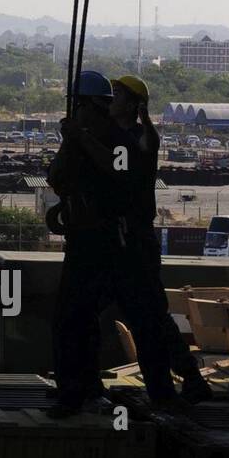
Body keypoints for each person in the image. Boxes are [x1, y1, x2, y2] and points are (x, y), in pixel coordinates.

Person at [48, 70, 179, 417]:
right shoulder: (99, 135)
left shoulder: (128, 138)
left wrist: (78, 138)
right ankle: (79, 388)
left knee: (145, 319)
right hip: (99, 242)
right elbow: (61, 179)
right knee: (79, 319)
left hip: (121, 245)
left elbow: (116, 169)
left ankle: (169, 389)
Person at [110, 75, 212, 403]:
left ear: (134, 105)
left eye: (118, 95)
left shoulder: (139, 137)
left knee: (151, 317)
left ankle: (183, 380)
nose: (111, 100)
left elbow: (142, 151)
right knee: (148, 318)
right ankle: (174, 385)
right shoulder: (119, 137)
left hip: (135, 242)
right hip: (125, 242)